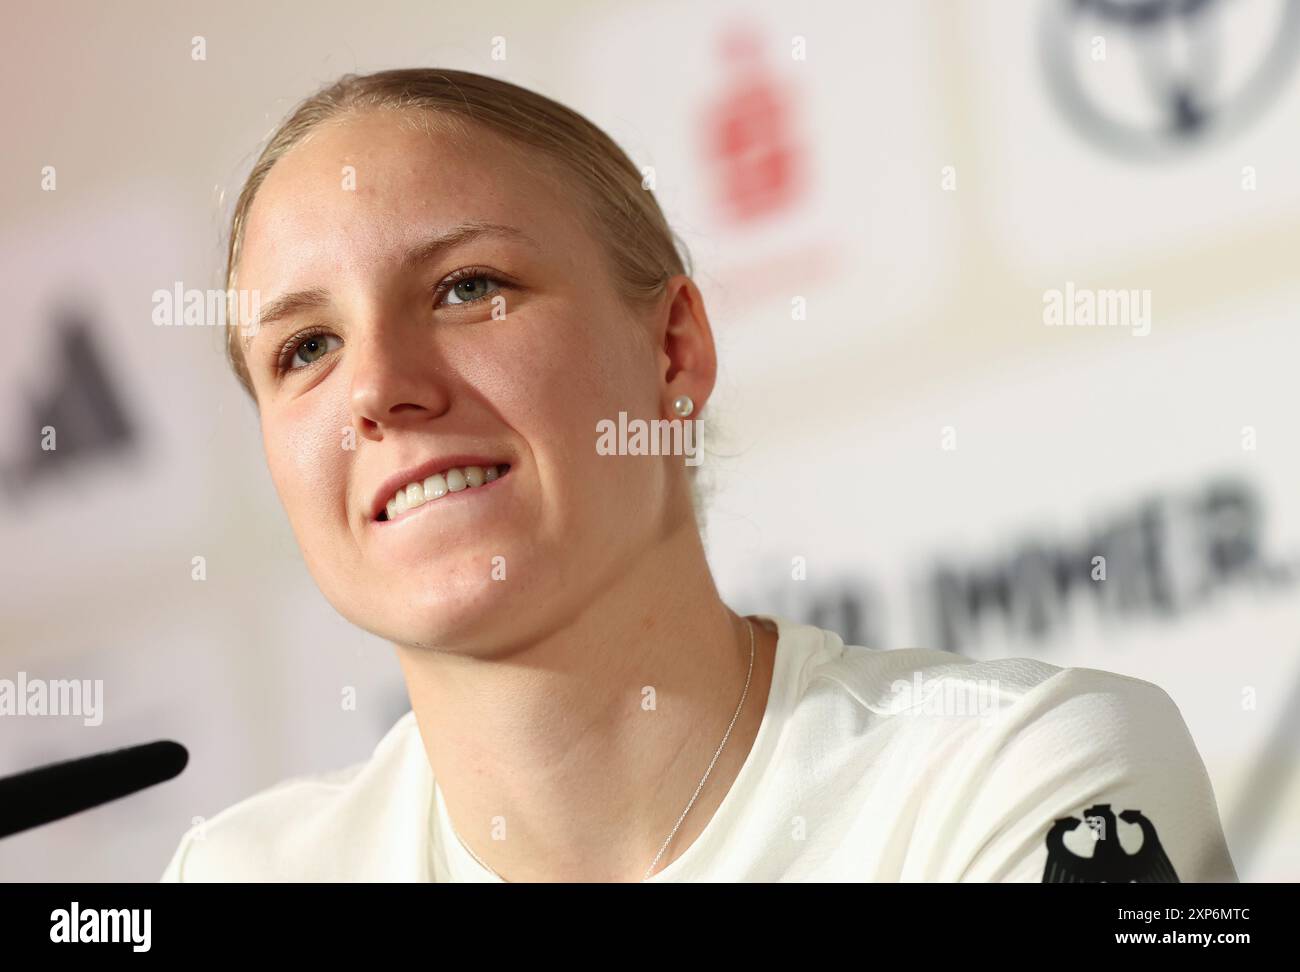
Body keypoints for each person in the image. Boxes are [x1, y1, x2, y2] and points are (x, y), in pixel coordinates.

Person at [161, 68, 1237, 883]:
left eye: (465, 286)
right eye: (303, 349)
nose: (379, 387)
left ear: (672, 351)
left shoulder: (1038, 777)